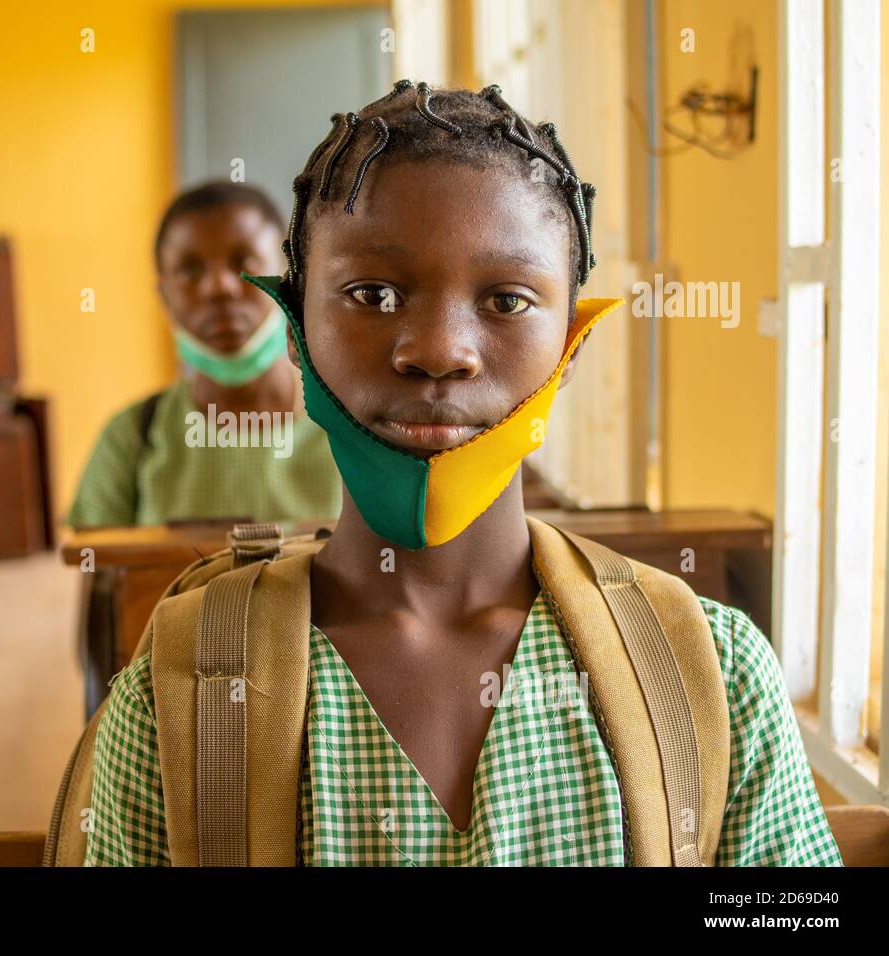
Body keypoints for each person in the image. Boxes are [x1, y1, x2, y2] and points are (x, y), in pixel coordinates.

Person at [82, 82, 841, 866]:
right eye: (372, 294)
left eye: (508, 299)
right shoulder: (182, 694)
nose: (439, 350)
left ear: (570, 344)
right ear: (297, 326)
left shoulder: (710, 672)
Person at [65, 181, 341, 528]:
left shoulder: (348, 432)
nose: (219, 288)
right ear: (165, 297)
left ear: (291, 281)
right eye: (190, 270)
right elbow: (100, 570)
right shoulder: (133, 437)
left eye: (244, 261)